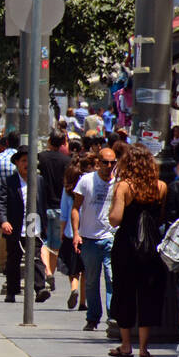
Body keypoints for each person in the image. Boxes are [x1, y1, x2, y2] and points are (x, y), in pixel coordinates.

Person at [106, 145, 168, 357]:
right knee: (148, 295)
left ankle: (125, 345)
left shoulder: (124, 186)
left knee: (124, 292)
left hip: (127, 245)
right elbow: (160, 217)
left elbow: (115, 219)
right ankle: (143, 347)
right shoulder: (160, 187)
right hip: (151, 248)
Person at [0, 144, 51, 304]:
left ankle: (40, 288)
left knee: (35, 255)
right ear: (18, 163)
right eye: (24, 160)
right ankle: (12, 291)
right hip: (15, 223)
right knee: (14, 257)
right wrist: (4, 221)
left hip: (33, 222)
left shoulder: (39, 180)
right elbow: (1, 202)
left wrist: (44, 224)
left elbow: (42, 203)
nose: (27, 164)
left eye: (30, 161)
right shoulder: (10, 181)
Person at [72, 147, 117, 331]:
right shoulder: (86, 181)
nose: (109, 166)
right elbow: (76, 207)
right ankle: (93, 317)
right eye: (105, 162)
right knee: (91, 281)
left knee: (112, 278)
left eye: (112, 163)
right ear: (98, 163)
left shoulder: (119, 183)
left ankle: (113, 317)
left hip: (111, 238)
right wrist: (75, 233)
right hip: (89, 239)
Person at [37, 130, 70, 290]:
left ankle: (48, 272)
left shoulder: (40, 158)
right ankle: (51, 273)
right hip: (60, 207)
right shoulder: (66, 161)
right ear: (63, 143)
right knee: (55, 244)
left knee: (42, 241)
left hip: (42, 206)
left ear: (49, 141)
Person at [0, 131, 20, 285]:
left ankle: (3, 264)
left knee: (3, 233)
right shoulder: (21, 159)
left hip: (2, 201)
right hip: (19, 200)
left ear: (6, 143)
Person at [58, 157, 90, 310]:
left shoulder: (67, 191)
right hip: (87, 233)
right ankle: (83, 302)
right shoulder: (87, 185)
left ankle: (73, 288)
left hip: (71, 234)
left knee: (73, 268)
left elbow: (64, 213)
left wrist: (62, 231)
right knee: (84, 269)